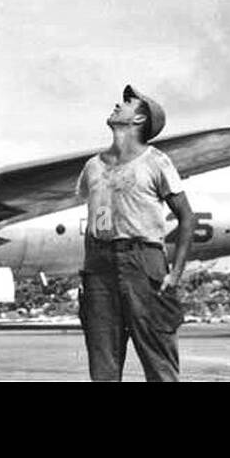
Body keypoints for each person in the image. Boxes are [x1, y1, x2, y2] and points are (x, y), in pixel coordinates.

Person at [76, 84, 193, 382]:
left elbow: (186, 217)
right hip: (99, 265)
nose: (119, 104)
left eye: (128, 103)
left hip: (143, 261)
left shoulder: (156, 161)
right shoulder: (93, 166)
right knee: (103, 363)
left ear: (140, 120)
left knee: (158, 360)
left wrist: (175, 273)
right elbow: (99, 213)